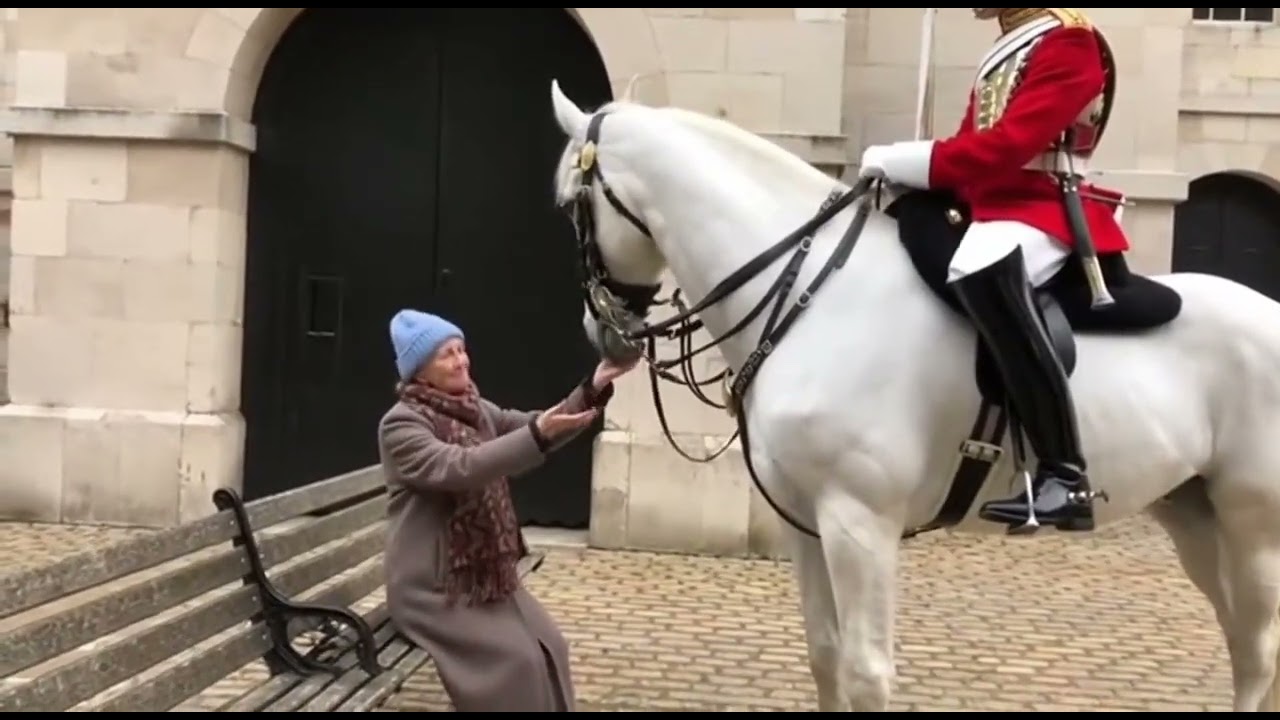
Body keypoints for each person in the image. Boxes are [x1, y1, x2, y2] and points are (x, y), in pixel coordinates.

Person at [856, 8, 1125, 533]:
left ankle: (1064, 474)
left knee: (980, 268)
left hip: (1043, 206)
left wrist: (907, 158)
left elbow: (1008, 148)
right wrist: (911, 182)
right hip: (994, 204)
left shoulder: (1069, 42)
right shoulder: (1014, 42)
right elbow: (970, 147)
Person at [377, 308, 638, 711]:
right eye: (447, 354)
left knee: (550, 645)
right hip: (432, 586)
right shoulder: (401, 425)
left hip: (481, 573)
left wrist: (595, 384)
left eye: (461, 349)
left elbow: (534, 426)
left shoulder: (475, 408)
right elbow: (458, 467)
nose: (462, 360)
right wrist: (537, 434)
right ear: (420, 371)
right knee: (518, 662)